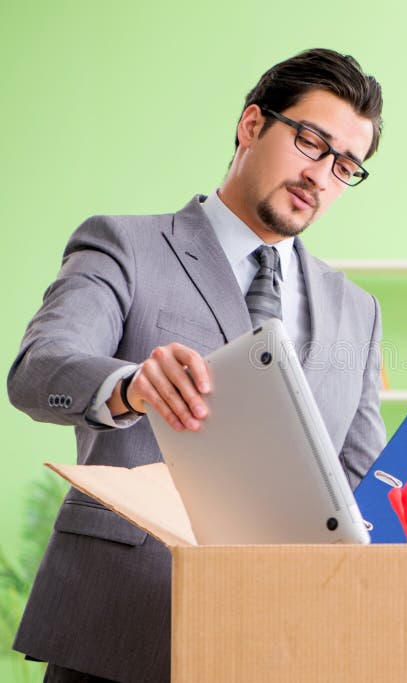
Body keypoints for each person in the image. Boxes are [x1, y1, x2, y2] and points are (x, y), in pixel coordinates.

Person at [7, 48, 386, 682]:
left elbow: (358, 472)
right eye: (312, 143)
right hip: (123, 627)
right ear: (251, 125)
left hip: (285, 642)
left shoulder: (358, 310)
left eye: (345, 165)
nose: (322, 175)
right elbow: (39, 369)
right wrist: (131, 386)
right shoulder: (125, 244)